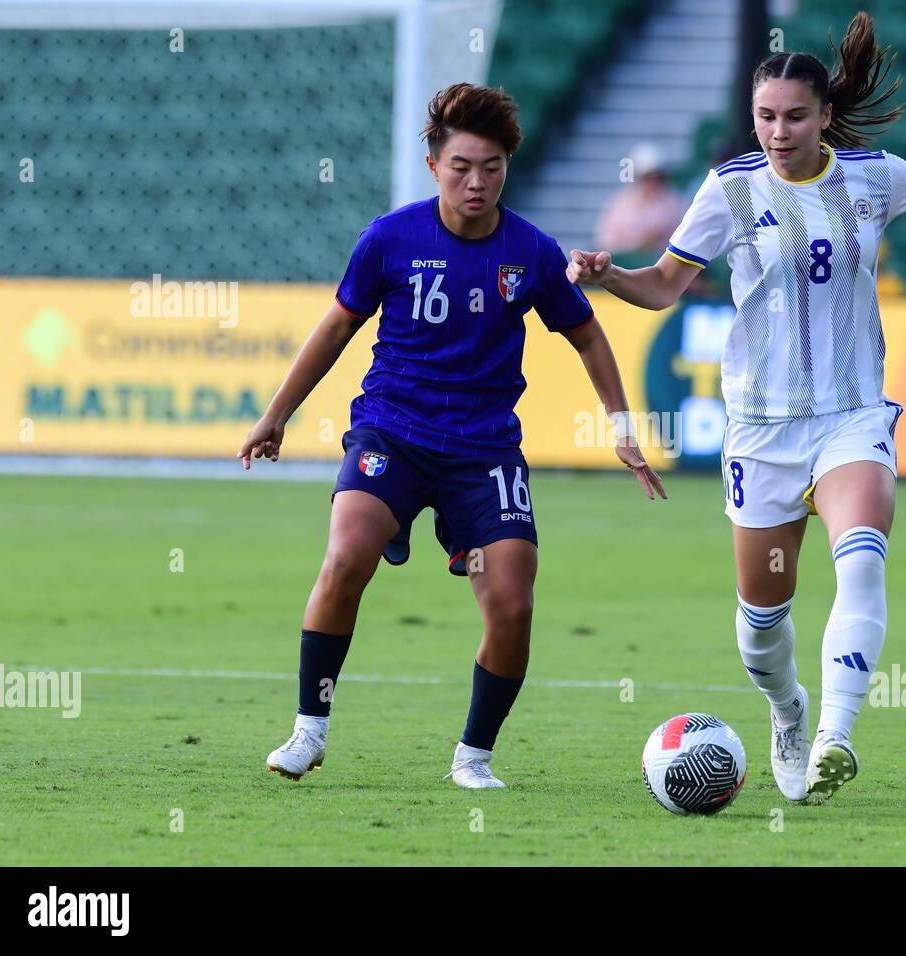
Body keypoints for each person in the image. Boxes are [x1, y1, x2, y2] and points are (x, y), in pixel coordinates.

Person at [566, 13, 906, 802]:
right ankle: (789, 712)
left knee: (863, 558)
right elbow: (665, 285)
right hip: (763, 434)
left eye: (795, 117)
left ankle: (835, 739)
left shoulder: (872, 175)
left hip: (849, 417)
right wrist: (612, 276)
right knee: (760, 629)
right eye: (766, 117)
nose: (779, 131)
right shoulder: (731, 189)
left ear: (825, 118)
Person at [239, 82, 666, 790]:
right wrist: (277, 413)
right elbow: (337, 326)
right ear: (434, 162)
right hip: (393, 430)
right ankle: (309, 730)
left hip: (484, 448)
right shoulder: (390, 238)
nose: (477, 181)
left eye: (492, 167)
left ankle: (474, 757)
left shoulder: (529, 251)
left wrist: (622, 428)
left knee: (513, 600)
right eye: (463, 165)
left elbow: (588, 335)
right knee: (347, 555)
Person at [594, 142, 688, 255]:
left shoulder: (674, 202)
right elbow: (605, 240)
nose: (654, 182)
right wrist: (636, 244)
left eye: (659, 177)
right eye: (649, 177)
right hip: (621, 265)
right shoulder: (621, 201)